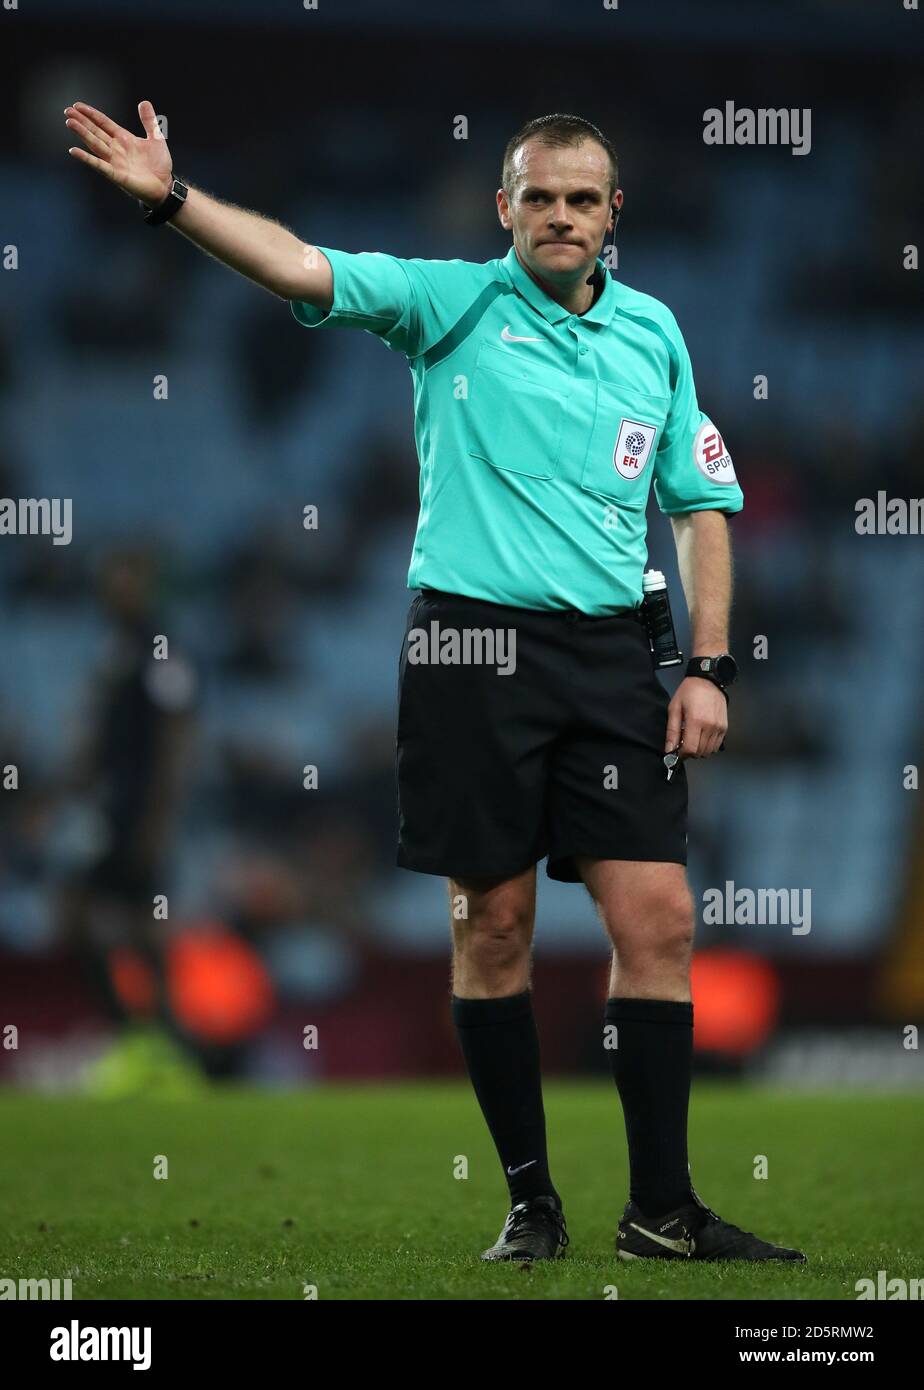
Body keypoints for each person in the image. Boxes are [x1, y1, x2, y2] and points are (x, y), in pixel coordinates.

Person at [63, 102, 804, 1263]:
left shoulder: (655, 333)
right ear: (504, 207)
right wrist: (171, 200)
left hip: (614, 657)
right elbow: (301, 263)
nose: (559, 214)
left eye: (582, 197)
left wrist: (706, 665)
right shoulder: (450, 304)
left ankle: (662, 1209)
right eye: (538, 196)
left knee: (660, 915)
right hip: (472, 653)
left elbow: (701, 505)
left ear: (615, 214)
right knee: (493, 922)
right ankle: (531, 1201)